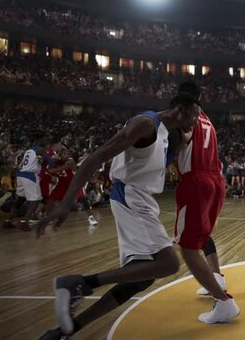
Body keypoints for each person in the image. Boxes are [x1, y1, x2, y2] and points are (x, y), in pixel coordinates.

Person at [35, 93, 201, 339]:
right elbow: (97, 156)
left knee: (141, 278)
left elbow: (183, 138)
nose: (197, 121)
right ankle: (80, 282)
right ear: (183, 108)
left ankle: (62, 333)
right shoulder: (146, 123)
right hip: (131, 195)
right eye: (196, 114)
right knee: (169, 264)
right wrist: (66, 202)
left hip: (140, 198)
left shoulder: (166, 131)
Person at [172, 82, 239, 324]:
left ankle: (223, 301)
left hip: (196, 180)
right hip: (215, 179)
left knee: (188, 247)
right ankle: (216, 277)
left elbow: (183, 138)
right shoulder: (207, 120)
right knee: (201, 236)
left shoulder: (185, 116)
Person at [4, 134, 48, 231]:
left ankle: (8, 221)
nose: (46, 141)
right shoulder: (40, 149)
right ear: (39, 139)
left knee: (20, 200)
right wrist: (53, 158)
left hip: (21, 175)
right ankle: (24, 222)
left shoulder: (28, 150)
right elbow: (49, 161)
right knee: (36, 200)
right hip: (30, 176)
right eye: (45, 139)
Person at [46, 148, 97, 226]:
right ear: (60, 155)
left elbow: (59, 169)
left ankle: (91, 217)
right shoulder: (57, 162)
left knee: (82, 199)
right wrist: (52, 161)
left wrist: (50, 169)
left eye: (67, 154)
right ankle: (48, 218)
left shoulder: (70, 161)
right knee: (50, 200)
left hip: (74, 183)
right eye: (64, 154)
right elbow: (50, 170)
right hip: (62, 184)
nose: (66, 155)